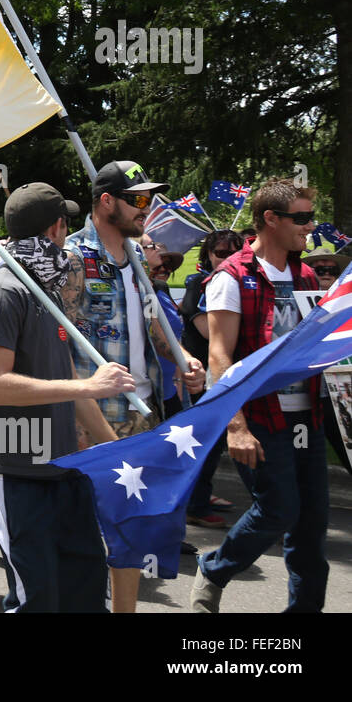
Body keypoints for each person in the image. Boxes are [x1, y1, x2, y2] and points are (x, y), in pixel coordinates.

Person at [0, 183, 128, 611]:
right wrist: (89, 386)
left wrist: (113, 448)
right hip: (16, 464)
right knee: (36, 600)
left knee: (86, 590)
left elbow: (66, 375)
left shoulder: (44, 287)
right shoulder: (6, 289)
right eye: (66, 223)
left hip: (62, 465)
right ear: (56, 228)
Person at [62, 160, 205, 613]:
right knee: (85, 530)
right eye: (138, 199)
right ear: (107, 202)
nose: (148, 208)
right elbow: (58, 343)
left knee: (133, 527)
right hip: (95, 415)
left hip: (144, 412)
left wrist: (182, 358)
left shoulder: (140, 256)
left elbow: (151, 322)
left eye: (150, 198)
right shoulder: (72, 256)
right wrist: (80, 413)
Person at [192, 178, 326, 612]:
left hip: (309, 419)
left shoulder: (306, 275)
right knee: (279, 510)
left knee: (311, 530)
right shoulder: (231, 277)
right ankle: (215, 569)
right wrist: (236, 427)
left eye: (310, 217)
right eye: (301, 218)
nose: (309, 227)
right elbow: (219, 356)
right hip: (261, 419)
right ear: (270, 219)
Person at [179, 229, 245, 529]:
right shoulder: (197, 284)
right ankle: (194, 504)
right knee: (203, 444)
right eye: (221, 253)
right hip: (200, 377)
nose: (228, 258)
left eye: (235, 252)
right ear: (207, 256)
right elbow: (210, 333)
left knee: (214, 445)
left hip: (230, 375)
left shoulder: (243, 283)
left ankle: (200, 498)